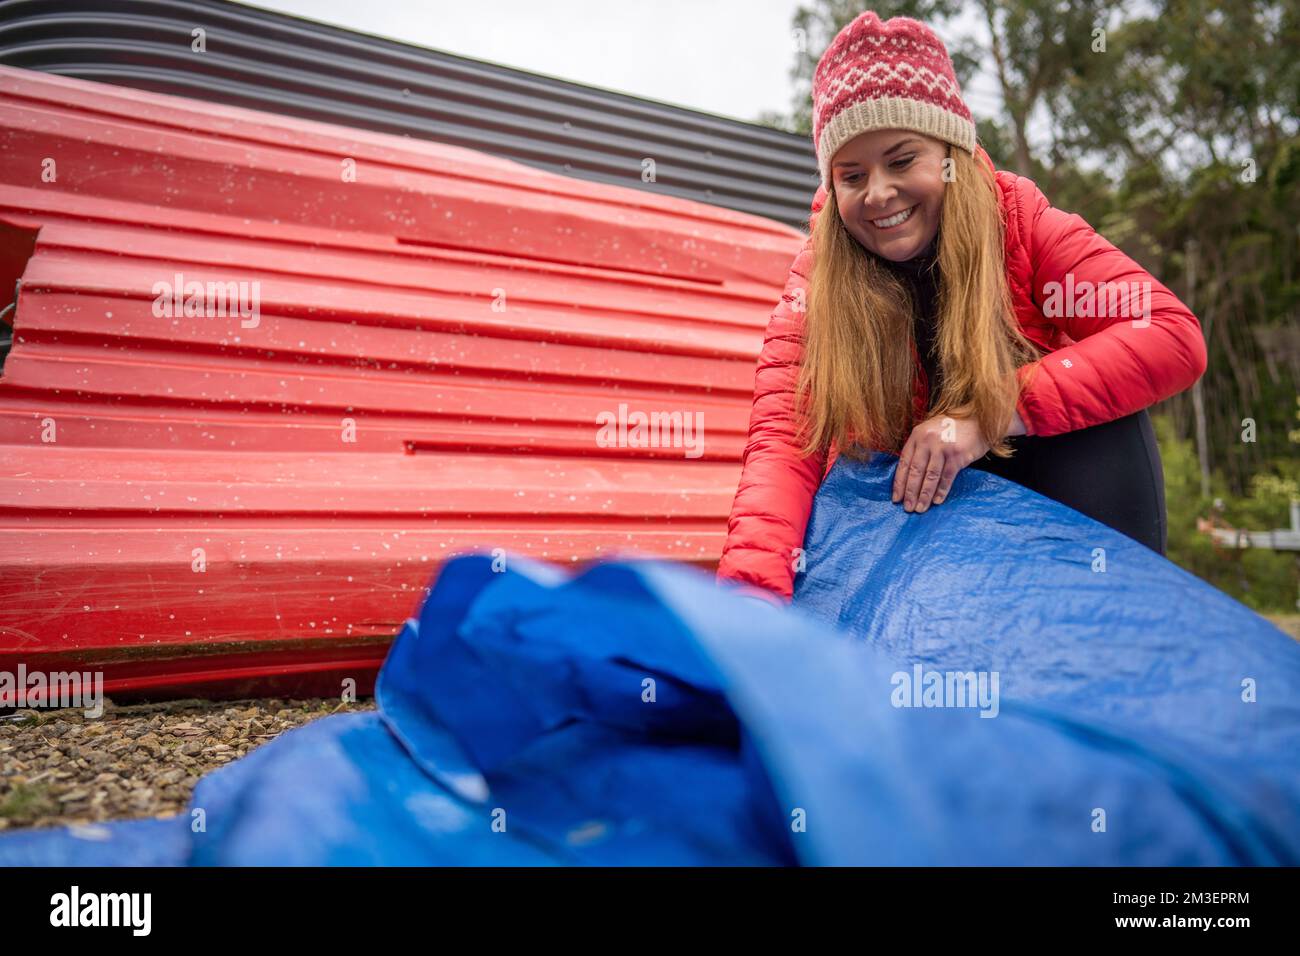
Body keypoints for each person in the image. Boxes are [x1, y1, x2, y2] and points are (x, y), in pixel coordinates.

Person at [716, 10, 1206, 606]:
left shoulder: (1020, 222)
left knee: (1097, 423)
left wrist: (988, 414)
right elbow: (782, 443)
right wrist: (749, 607)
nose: (878, 194)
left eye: (901, 161)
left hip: (1065, 484)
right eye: (851, 175)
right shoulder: (817, 281)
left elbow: (1171, 333)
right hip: (941, 512)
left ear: (949, 152)